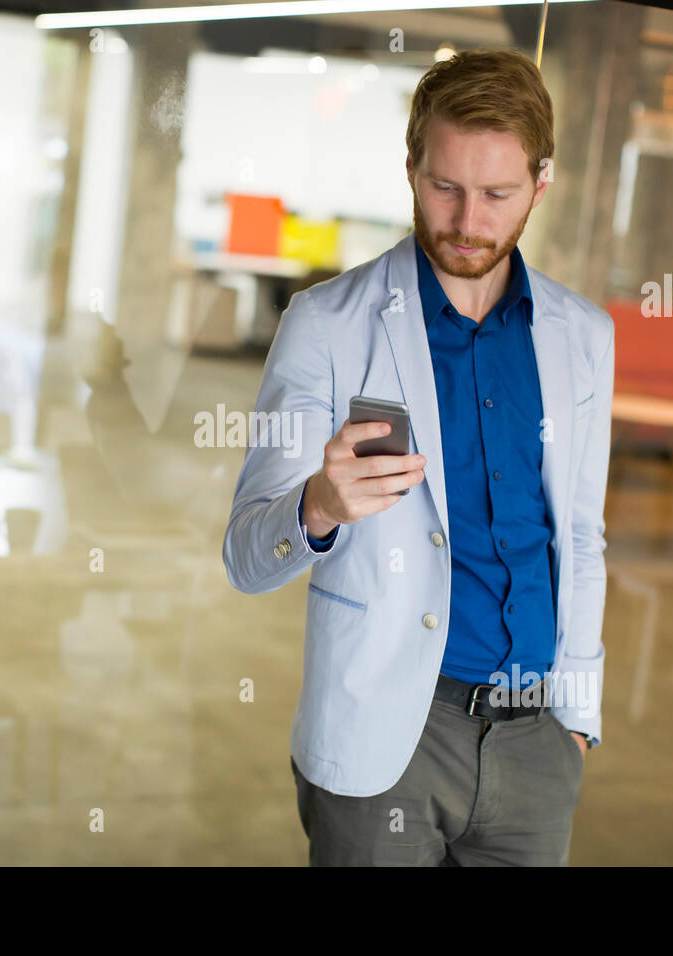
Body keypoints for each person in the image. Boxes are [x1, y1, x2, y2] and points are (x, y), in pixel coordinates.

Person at [221, 48, 614, 866]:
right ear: (410, 169)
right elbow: (246, 557)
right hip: (383, 740)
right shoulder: (326, 325)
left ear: (542, 184)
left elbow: (578, 536)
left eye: (498, 194)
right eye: (446, 187)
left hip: (537, 746)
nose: (469, 221)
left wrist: (577, 722)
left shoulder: (583, 338)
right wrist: (318, 507)